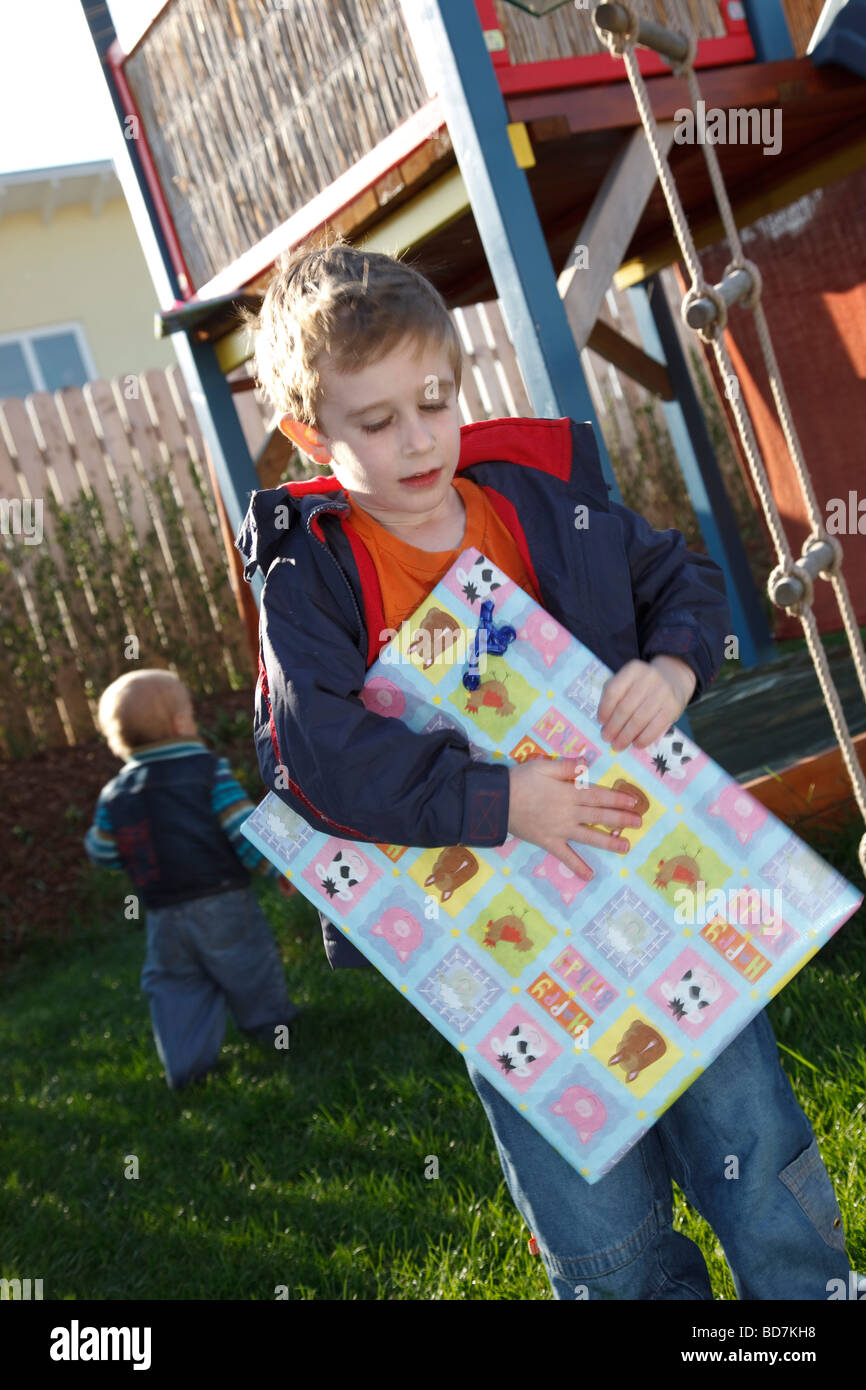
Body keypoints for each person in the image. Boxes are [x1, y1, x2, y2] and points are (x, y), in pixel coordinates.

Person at [235, 242, 850, 1299]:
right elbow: (314, 755)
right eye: (375, 423)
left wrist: (671, 662)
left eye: (432, 400)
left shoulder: (534, 498)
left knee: (745, 1125)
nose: (418, 438)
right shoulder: (314, 574)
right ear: (308, 432)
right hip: (494, 949)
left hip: (657, 886)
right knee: (593, 1203)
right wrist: (497, 798)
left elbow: (679, 578)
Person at [84, 669, 297, 1090]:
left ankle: (185, 1064)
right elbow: (240, 827)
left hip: (163, 914)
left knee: (175, 984)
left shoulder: (115, 794)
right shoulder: (206, 771)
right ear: (181, 725)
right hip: (222, 900)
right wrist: (276, 869)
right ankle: (273, 1029)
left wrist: (107, 840)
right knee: (247, 964)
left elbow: (104, 853)